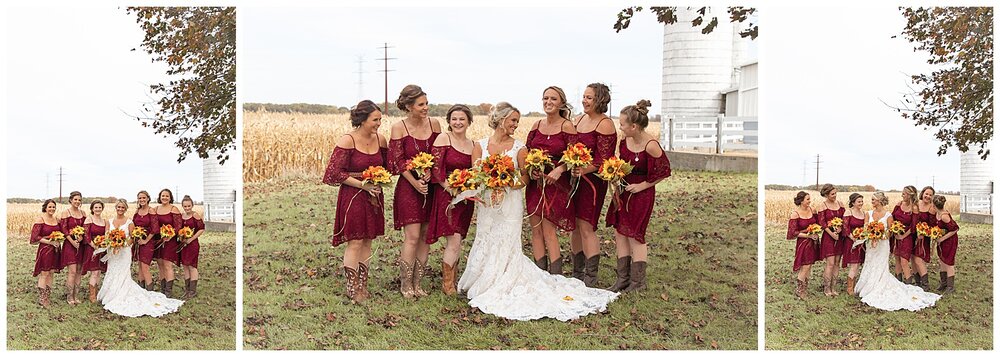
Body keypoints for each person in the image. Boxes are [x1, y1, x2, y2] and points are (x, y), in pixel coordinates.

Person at [458, 102, 618, 321]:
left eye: (517, 120)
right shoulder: (480, 145)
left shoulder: (520, 148)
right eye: (513, 120)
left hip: (510, 202)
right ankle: (481, 277)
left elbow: (524, 178)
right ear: (501, 120)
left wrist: (506, 184)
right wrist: (488, 184)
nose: (516, 124)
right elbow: (475, 174)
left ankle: (520, 276)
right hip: (488, 204)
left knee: (508, 239)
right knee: (485, 237)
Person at [853, 192, 940, 311]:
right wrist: (872, 236)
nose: (871, 201)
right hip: (871, 245)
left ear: (879, 201)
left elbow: (889, 232)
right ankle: (867, 285)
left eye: (874, 200)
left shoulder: (888, 215)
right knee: (870, 263)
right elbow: (865, 228)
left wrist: (879, 237)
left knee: (881, 265)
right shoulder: (868, 213)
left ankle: (881, 285)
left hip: (882, 244)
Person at [97, 199, 183, 317]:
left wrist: (121, 244)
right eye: (119, 207)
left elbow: (132, 238)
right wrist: (113, 244)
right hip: (113, 252)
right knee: (112, 271)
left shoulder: (129, 222)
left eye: (123, 207)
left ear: (126, 209)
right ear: (115, 208)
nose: (120, 209)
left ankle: (125, 293)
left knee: (123, 272)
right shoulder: (109, 221)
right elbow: (106, 236)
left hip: (124, 252)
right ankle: (110, 294)